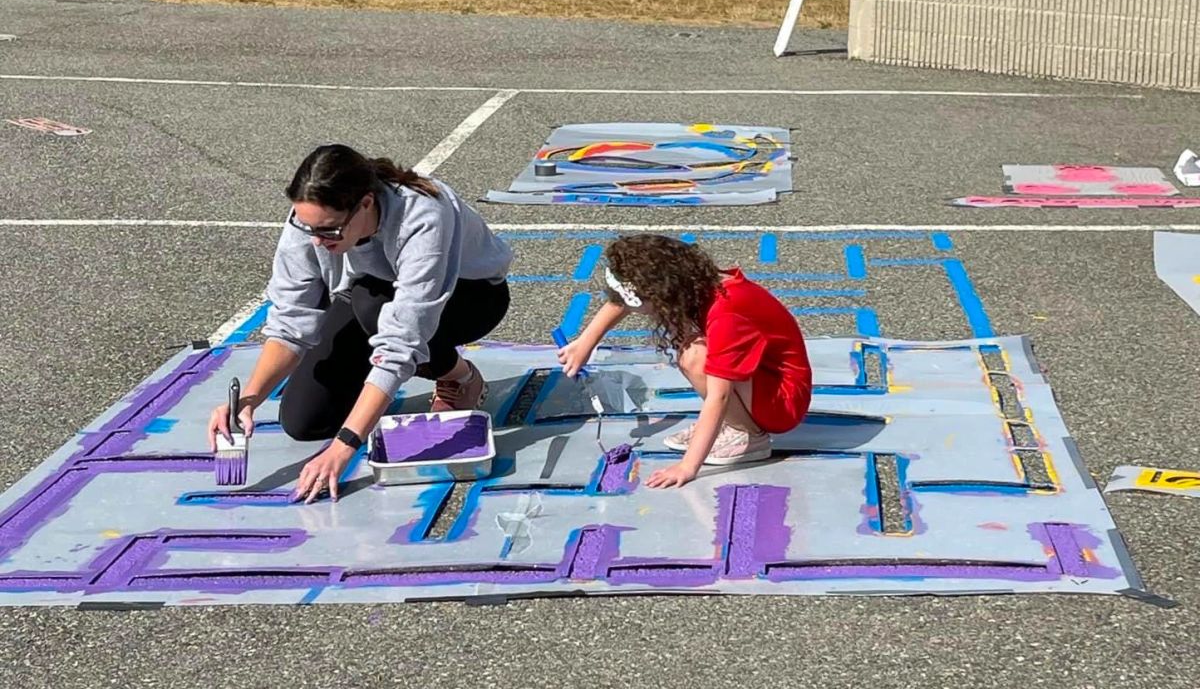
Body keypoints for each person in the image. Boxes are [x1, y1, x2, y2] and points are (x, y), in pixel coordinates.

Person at [207, 144, 513, 502]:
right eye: (308, 228)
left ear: (365, 204)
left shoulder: (423, 212)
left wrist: (345, 446)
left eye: (329, 231)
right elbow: (291, 320)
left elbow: (402, 341)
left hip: (470, 297)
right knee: (305, 422)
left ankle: (459, 376)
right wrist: (250, 397)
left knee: (373, 307)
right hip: (370, 292)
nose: (317, 241)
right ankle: (383, 381)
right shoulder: (310, 223)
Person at [557, 234, 812, 489]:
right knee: (692, 351)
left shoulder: (726, 313)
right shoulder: (695, 282)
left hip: (783, 401)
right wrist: (585, 344)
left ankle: (748, 435)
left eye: (640, 306)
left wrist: (688, 466)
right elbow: (622, 301)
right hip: (766, 379)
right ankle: (735, 422)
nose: (636, 311)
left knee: (695, 358)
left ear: (660, 294)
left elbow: (719, 396)